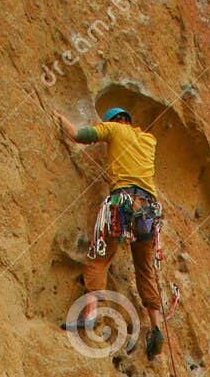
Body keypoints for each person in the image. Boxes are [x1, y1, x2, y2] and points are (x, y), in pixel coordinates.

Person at [55, 105, 165, 359]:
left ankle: (91, 315)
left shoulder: (113, 129)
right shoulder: (149, 140)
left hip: (122, 205)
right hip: (148, 211)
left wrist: (61, 118)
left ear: (114, 121)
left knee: (99, 257)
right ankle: (156, 326)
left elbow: (78, 135)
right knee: (146, 270)